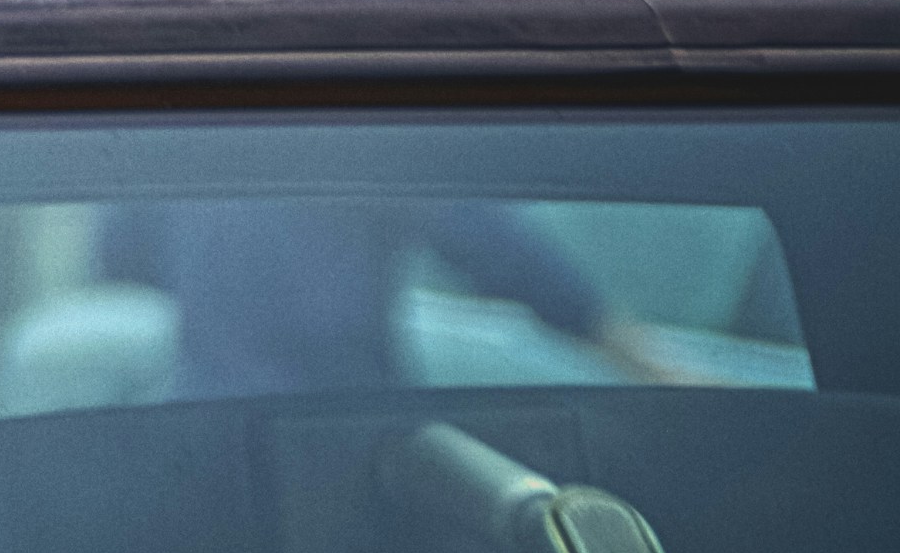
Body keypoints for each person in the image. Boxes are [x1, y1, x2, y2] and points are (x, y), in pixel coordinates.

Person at [97, 201, 676, 398]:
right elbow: (495, 248)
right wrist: (642, 360)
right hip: (351, 437)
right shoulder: (359, 119)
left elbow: (119, 254)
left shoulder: (181, 112)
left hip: (204, 428)